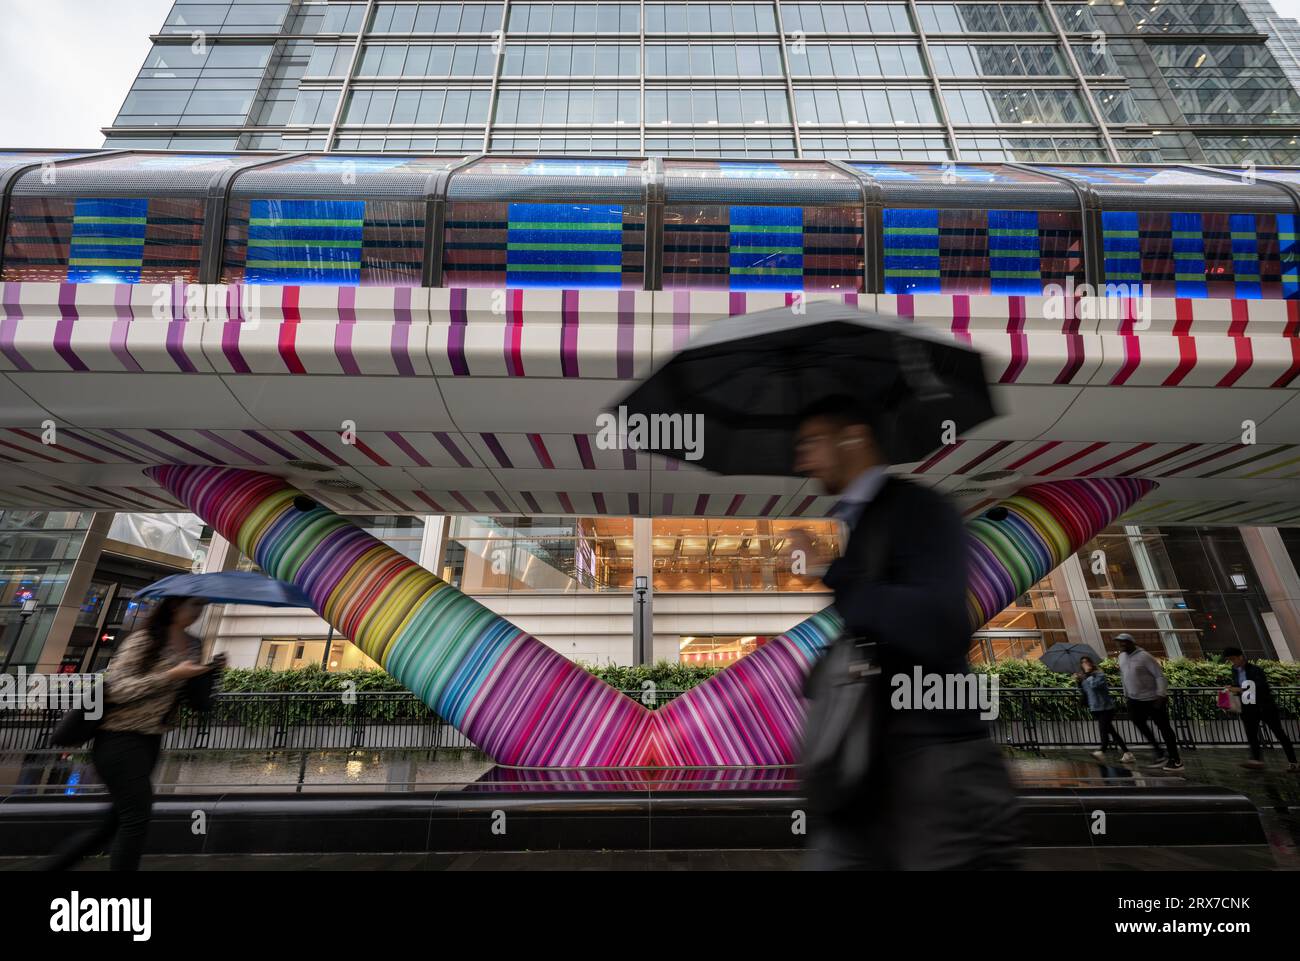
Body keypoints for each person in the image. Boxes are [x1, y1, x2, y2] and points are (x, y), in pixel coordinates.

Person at [794, 395, 1019, 870]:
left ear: (854, 437)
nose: (803, 458)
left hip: (937, 766)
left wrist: (836, 574)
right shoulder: (862, 521)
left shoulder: (917, 508)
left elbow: (939, 627)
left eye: (813, 442)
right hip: (872, 766)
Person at [42, 596, 223, 871]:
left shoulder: (194, 645)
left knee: (114, 824)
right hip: (117, 738)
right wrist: (171, 675)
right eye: (195, 605)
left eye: (203, 606)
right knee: (136, 816)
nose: (200, 612)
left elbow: (195, 701)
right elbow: (115, 689)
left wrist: (210, 673)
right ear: (174, 606)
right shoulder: (144, 640)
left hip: (151, 740)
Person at [1221, 646, 1299, 773]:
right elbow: (1238, 685)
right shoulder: (1234, 670)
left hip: (1264, 707)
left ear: (1241, 657)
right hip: (1248, 707)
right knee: (1251, 734)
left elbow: (1260, 686)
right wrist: (1232, 688)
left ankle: (1293, 762)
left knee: (1279, 733)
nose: (1232, 662)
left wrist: (1239, 689)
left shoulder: (1255, 670)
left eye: (1233, 659)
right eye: (1229, 660)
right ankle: (1257, 760)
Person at [1115, 633, 1183, 771]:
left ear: (1132, 643)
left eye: (1124, 642)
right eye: (1119, 642)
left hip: (1153, 699)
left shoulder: (1145, 656)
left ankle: (1175, 760)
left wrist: (1161, 695)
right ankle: (1159, 753)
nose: (1121, 645)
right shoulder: (1121, 657)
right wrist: (1126, 694)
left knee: (1164, 728)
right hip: (1134, 699)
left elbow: (1159, 676)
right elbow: (1124, 677)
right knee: (1138, 722)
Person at [1073, 656, 1136, 764]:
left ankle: (1102, 751)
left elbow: (1095, 686)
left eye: (1087, 662)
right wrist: (1079, 682)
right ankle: (1127, 754)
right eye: (1082, 662)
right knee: (1111, 731)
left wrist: (1088, 674)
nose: (1085, 664)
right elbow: (1085, 691)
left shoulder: (1099, 674)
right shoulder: (1085, 677)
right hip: (1095, 708)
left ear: (1091, 663)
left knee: (1103, 729)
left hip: (1106, 707)